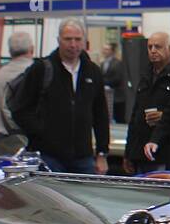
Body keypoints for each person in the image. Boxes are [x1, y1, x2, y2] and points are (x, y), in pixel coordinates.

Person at [8, 20, 109, 174]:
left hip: (83, 157)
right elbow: (19, 110)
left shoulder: (93, 71)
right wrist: (42, 132)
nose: (73, 44)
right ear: (59, 40)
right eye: (68, 39)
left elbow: (100, 114)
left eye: (78, 39)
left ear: (84, 41)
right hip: (49, 156)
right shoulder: (41, 69)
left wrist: (102, 153)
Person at [128, 31, 170, 174]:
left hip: (166, 152)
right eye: (150, 47)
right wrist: (129, 153)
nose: (153, 51)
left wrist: (164, 117)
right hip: (141, 151)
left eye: (158, 47)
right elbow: (135, 114)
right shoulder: (145, 74)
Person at [0, 31, 34, 140]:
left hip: (1, 145)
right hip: (35, 143)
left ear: (10, 52)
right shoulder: (41, 75)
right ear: (32, 49)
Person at [100, 42, 129, 123]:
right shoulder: (102, 63)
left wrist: (103, 82)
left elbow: (117, 78)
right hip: (107, 95)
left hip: (117, 95)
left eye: (107, 49)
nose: (104, 51)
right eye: (104, 49)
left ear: (112, 51)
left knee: (119, 118)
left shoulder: (117, 63)